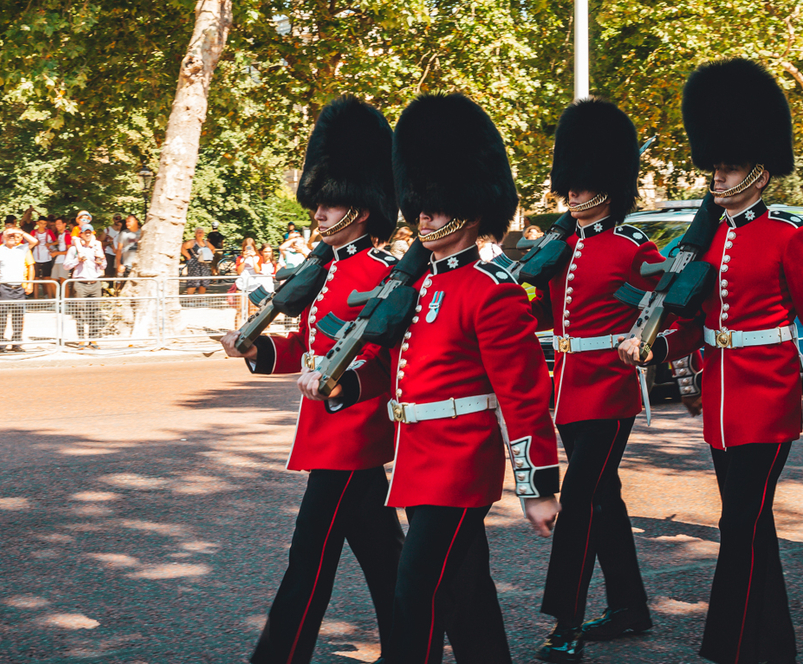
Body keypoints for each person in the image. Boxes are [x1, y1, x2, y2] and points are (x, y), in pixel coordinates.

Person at [618, 59, 803, 664]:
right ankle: (771, 643)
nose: (717, 174)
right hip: (723, 398)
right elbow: (692, 324)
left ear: (759, 170)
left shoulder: (792, 236)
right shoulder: (704, 239)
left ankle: (728, 647)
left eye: (727, 166)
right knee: (748, 525)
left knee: (741, 524)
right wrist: (655, 348)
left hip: (769, 396)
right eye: (715, 165)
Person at [318, 92, 561, 664]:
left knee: (416, 598)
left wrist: (538, 486)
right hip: (418, 459)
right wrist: (344, 385)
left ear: (471, 208)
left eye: (434, 205)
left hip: (459, 464)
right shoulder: (419, 285)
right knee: (468, 598)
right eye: (418, 205)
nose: (422, 215)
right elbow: (388, 369)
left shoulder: (492, 289)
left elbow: (523, 395)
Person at [222, 96, 405, 664]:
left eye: (330, 205)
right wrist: (256, 348)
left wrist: (340, 388)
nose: (319, 215)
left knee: (310, 558)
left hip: (350, 438)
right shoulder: (324, 271)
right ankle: (413, 646)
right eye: (318, 205)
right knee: (385, 559)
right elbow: (306, 346)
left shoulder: (379, 274)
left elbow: (380, 362)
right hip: (330, 435)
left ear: (362, 207)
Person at [528, 99, 664, 663]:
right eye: (570, 186)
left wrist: (645, 343)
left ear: (608, 186)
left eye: (583, 184)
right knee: (604, 497)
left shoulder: (635, 248)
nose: (573, 193)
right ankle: (630, 606)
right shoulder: (561, 247)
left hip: (610, 389)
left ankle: (567, 622)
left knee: (580, 499)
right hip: (567, 388)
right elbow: (534, 308)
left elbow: (666, 306)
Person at [0, 227, 34, 352]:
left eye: (14, 236)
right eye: (9, 235)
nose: (12, 237)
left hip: (18, 287)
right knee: (2, 316)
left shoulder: (21, 248)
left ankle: (17, 343)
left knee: (18, 316)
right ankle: (1, 343)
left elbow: (34, 242)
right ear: (3, 237)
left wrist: (21, 232)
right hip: (4, 286)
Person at [64, 222, 107, 348]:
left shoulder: (97, 248)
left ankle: (93, 339)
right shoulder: (74, 249)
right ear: (81, 234)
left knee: (95, 312)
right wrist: (77, 260)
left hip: (95, 282)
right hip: (80, 283)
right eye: (85, 232)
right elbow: (66, 265)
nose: (87, 234)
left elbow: (104, 266)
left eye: (90, 232)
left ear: (92, 234)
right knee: (80, 312)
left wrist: (101, 259)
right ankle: (81, 339)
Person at [181, 228, 215, 296]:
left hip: (204, 264)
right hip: (194, 264)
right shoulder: (192, 242)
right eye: (198, 232)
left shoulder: (206, 243)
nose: (200, 234)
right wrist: (188, 256)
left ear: (204, 234)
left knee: (204, 282)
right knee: (193, 282)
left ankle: (201, 299)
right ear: (195, 234)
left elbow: (213, 249)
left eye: (201, 232)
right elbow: (182, 247)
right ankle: (189, 300)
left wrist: (209, 256)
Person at [30, 218, 56, 298]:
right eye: (41, 223)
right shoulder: (33, 232)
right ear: (37, 223)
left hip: (47, 258)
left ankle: (50, 299)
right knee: (36, 280)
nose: (42, 225)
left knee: (47, 280)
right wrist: (34, 243)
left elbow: (56, 241)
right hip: (35, 258)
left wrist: (49, 244)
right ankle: (36, 300)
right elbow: (28, 242)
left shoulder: (49, 232)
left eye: (44, 223)